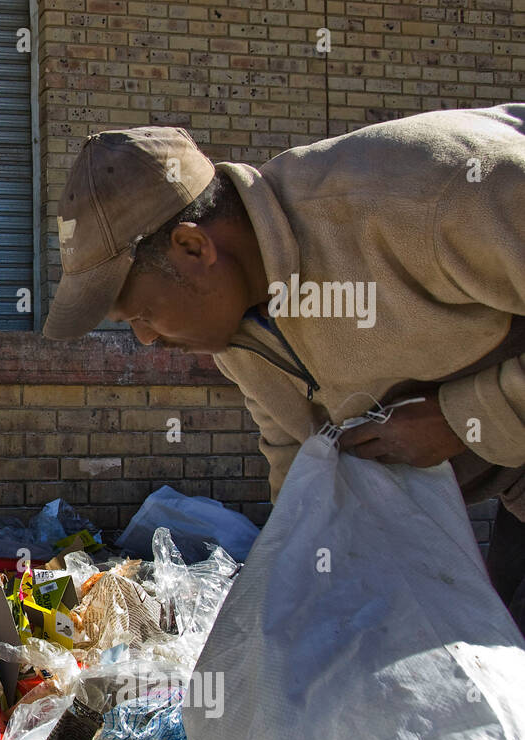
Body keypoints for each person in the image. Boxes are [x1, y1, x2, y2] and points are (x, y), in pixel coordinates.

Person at [42, 106, 525, 629]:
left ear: (192, 246)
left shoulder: (445, 192)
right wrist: (297, 593)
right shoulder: (235, 329)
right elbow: (295, 454)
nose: (147, 338)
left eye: (142, 313)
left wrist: (460, 418)